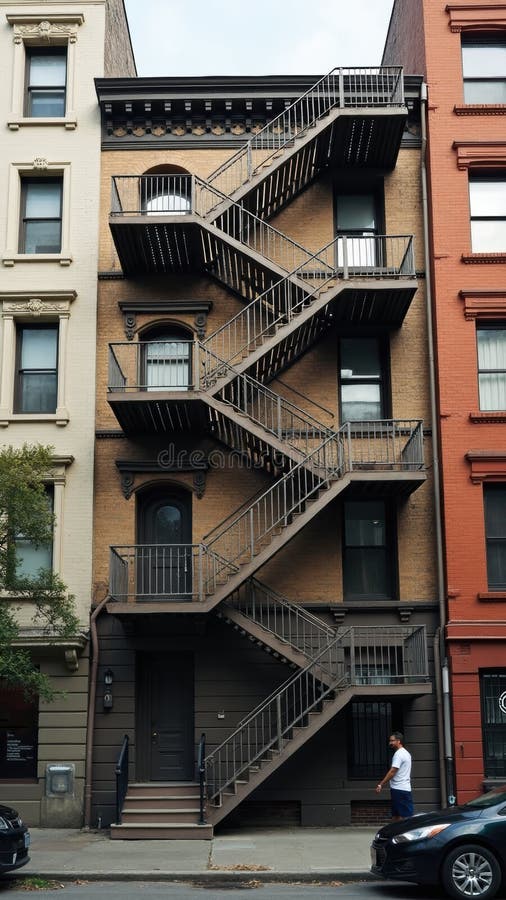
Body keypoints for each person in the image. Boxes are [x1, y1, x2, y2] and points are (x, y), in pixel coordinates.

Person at [375, 731, 413, 821]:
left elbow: (392, 771)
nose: (390, 743)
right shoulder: (405, 753)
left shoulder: (399, 754)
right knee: (396, 815)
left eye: (392, 741)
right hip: (399, 789)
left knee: (404, 817)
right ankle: (393, 833)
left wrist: (381, 784)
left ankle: (403, 833)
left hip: (400, 790)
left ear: (398, 741)